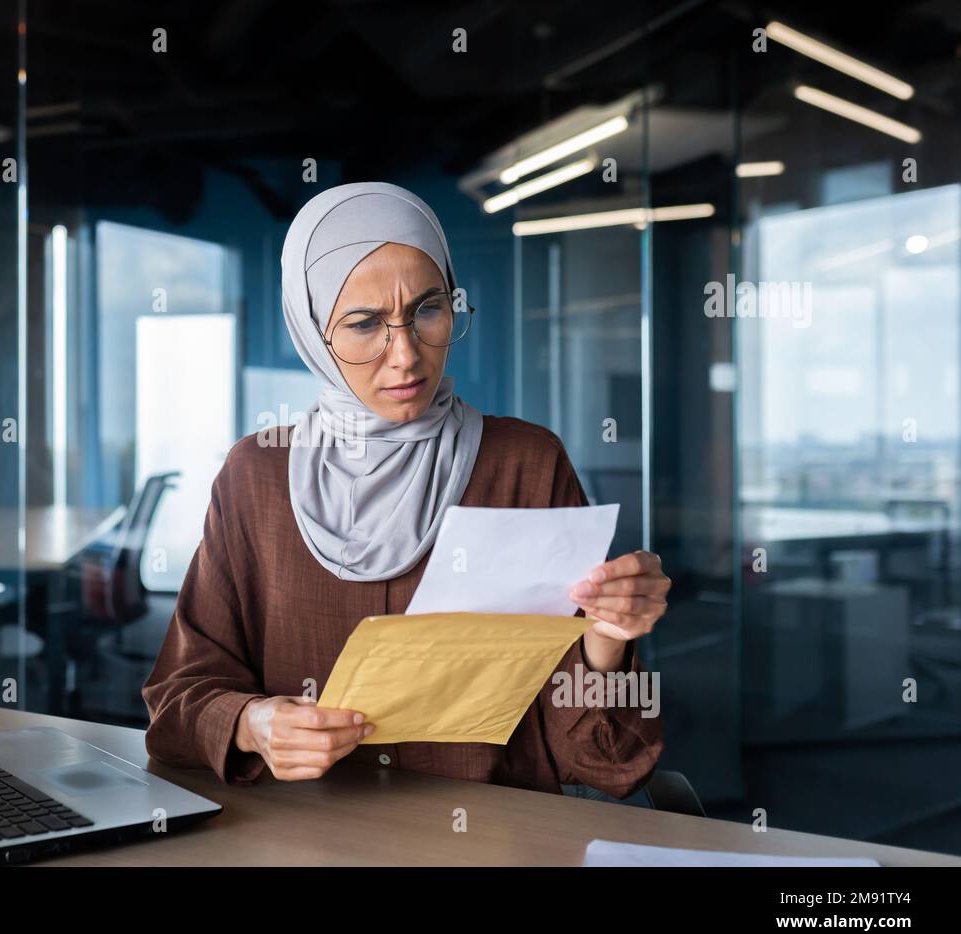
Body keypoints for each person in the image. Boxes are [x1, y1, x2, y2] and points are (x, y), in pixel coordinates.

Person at [142, 182, 668, 796]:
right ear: (313, 331)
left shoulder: (526, 463)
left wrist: (606, 639)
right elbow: (176, 703)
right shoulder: (256, 474)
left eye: (428, 311)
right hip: (297, 836)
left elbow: (601, 760)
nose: (406, 356)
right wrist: (250, 724)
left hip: (490, 843)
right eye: (365, 323)